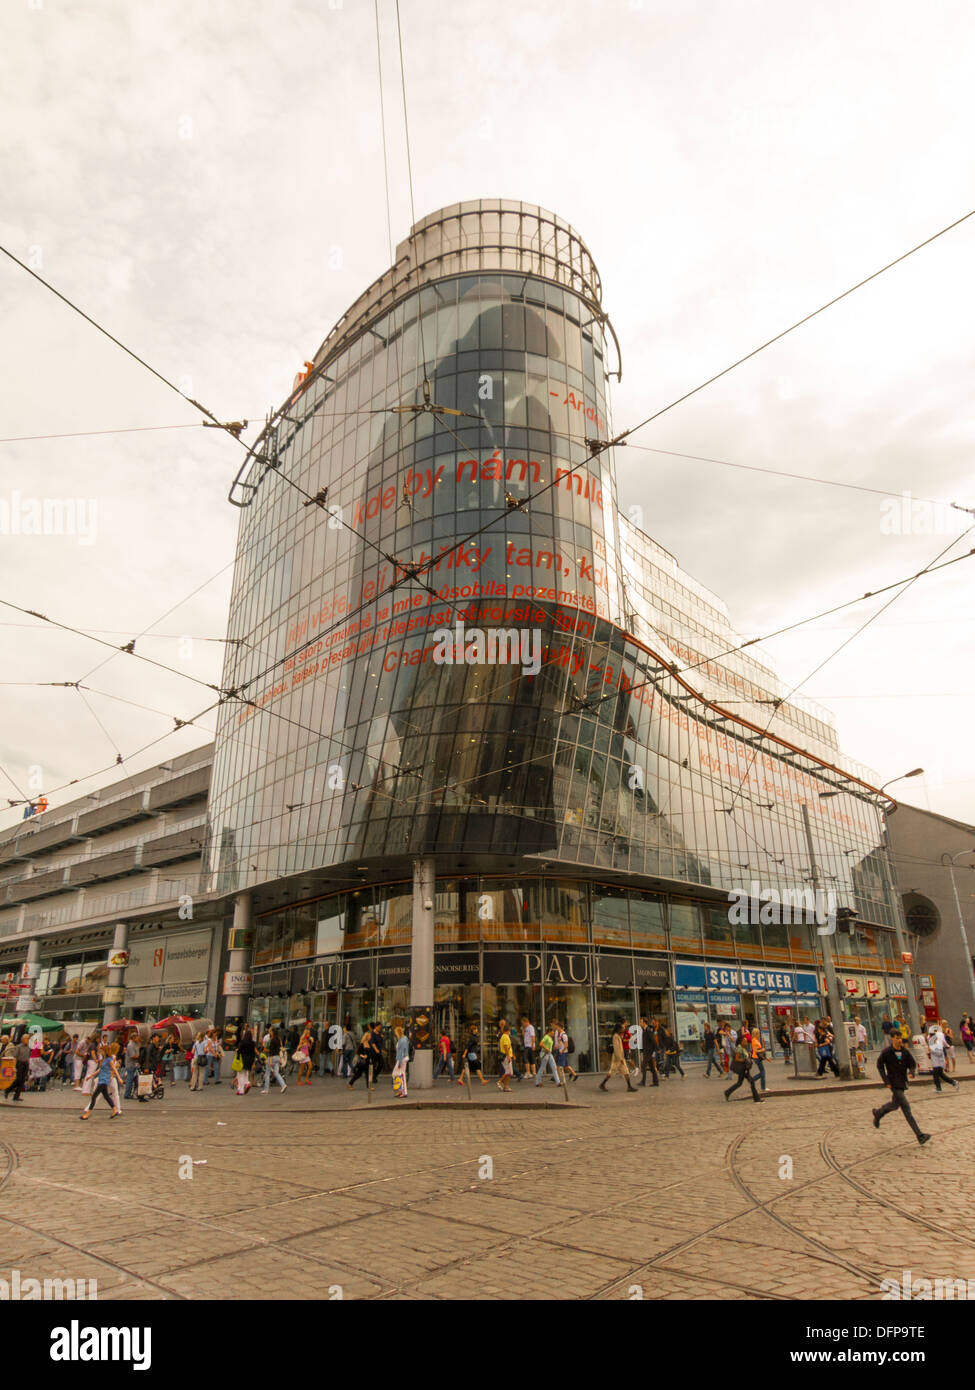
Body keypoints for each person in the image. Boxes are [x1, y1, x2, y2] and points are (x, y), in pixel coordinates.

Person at [873, 1031, 930, 1144]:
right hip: (893, 1083)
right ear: (892, 1039)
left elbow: (912, 1064)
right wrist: (886, 1081)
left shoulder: (905, 1052)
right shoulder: (887, 1052)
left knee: (894, 1105)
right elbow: (880, 1066)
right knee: (906, 1108)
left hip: (902, 1083)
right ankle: (920, 1135)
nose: (900, 1040)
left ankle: (878, 1113)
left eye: (901, 1038)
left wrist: (911, 1072)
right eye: (897, 1038)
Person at [80, 1046, 122, 1119]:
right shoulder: (104, 1059)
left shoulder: (109, 1059)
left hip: (104, 1080)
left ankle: (87, 1114)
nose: (100, 1052)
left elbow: (114, 1069)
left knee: (94, 1096)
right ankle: (115, 1110)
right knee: (106, 1096)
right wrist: (90, 1076)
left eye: (101, 1051)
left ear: (105, 1051)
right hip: (101, 1079)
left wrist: (119, 1078)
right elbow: (100, 1069)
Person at [599, 1023, 637, 1093]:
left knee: (626, 1072)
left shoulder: (618, 1036)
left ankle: (629, 1086)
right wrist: (621, 1059)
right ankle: (602, 1084)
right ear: (618, 1029)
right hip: (617, 1059)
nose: (623, 1029)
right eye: (622, 1028)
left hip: (620, 1058)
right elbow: (616, 1049)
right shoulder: (615, 1036)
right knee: (611, 1072)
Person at [725, 1038, 763, 1103]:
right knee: (752, 1082)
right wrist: (745, 1060)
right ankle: (756, 1099)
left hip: (744, 1068)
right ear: (741, 1042)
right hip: (742, 1068)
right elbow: (737, 1058)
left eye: (746, 1041)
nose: (746, 1042)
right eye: (744, 1041)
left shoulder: (743, 1048)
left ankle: (727, 1092)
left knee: (739, 1083)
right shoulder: (739, 1048)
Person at [926, 1024, 959, 1094]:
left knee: (935, 1075)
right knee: (941, 1074)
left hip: (939, 1061)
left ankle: (939, 1088)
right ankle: (953, 1082)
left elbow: (939, 1052)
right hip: (936, 1061)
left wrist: (931, 1051)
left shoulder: (938, 1039)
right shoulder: (931, 1038)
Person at [261, 1026, 288, 1093]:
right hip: (278, 1057)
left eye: (270, 1031)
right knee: (276, 1073)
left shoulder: (272, 1040)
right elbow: (279, 1049)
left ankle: (266, 1089)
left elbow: (271, 1052)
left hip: (272, 1058)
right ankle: (283, 1085)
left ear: (272, 1032)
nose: (269, 1032)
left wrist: (270, 1061)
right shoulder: (278, 1039)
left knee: (267, 1073)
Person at [639, 1015, 660, 1086]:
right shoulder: (645, 1030)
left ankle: (643, 1082)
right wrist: (642, 1049)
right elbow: (645, 1041)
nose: (640, 1023)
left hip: (648, 1051)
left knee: (644, 1066)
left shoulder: (648, 1030)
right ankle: (656, 1082)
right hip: (646, 1051)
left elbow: (653, 1040)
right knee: (652, 1067)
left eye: (641, 1022)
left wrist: (657, 1049)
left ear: (644, 1023)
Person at [390, 1025, 410, 1097]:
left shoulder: (402, 1040)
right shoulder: (402, 1039)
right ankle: (400, 1090)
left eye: (395, 1032)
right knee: (397, 1074)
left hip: (401, 1059)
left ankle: (403, 1092)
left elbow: (402, 1051)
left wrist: (400, 1062)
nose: (395, 1034)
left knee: (400, 1074)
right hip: (401, 1059)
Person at [123, 1031, 141, 1100]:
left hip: (134, 1064)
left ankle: (130, 1093)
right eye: (137, 1037)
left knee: (132, 1079)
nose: (138, 1039)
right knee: (129, 1079)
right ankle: (127, 1094)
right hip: (130, 1064)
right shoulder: (130, 1045)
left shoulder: (135, 1044)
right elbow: (132, 1056)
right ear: (133, 1038)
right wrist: (139, 1056)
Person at [497, 1021, 515, 1091]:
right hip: (506, 1057)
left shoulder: (504, 1036)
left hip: (506, 1056)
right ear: (508, 1030)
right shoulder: (505, 1037)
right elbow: (505, 1046)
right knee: (509, 1072)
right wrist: (508, 1056)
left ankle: (505, 1086)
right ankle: (500, 1082)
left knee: (509, 1072)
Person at [750, 1025, 768, 1093]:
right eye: (759, 1033)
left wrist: (766, 1057)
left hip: (758, 1057)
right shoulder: (754, 1041)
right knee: (762, 1072)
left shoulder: (756, 1040)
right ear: (756, 1034)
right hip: (756, 1057)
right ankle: (753, 1080)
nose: (759, 1035)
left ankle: (762, 1087)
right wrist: (762, 1049)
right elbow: (755, 1050)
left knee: (762, 1072)